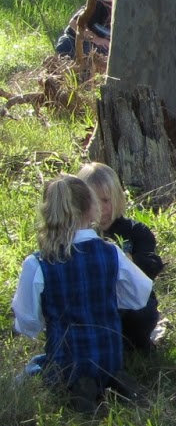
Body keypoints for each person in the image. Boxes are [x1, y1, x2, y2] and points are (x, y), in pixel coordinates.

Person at [13, 175, 153, 411]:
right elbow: (139, 295)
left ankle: (79, 386)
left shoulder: (38, 263)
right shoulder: (111, 253)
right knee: (105, 362)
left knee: (24, 377)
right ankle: (110, 379)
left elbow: (28, 322)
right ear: (91, 209)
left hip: (65, 361)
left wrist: (33, 325)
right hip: (109, 356)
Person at [77, 162, 164, 353]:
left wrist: (126, 261)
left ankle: (136, 346)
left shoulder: (135, 231)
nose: (101, 210)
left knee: (142, 313)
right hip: (94, 304)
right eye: (94, 203)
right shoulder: (78, 236)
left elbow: (152, 264)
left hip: (130, 304)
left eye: (106, 201)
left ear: (118, 198)